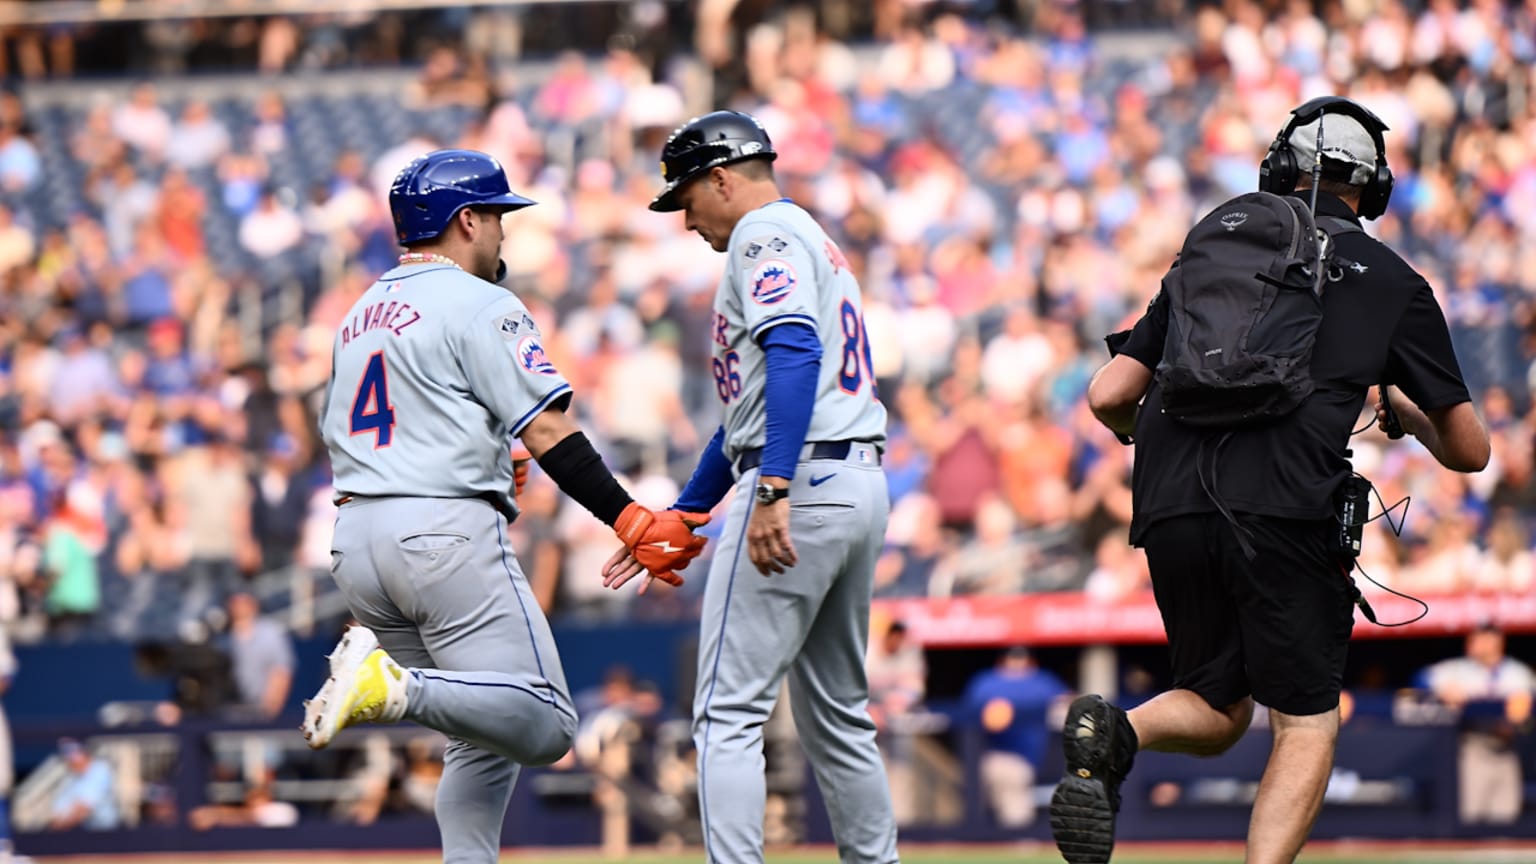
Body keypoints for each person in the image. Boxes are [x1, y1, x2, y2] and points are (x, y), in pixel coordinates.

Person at [1057, 96, 1491, 864]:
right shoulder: (1392, 280)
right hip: (1286, 504)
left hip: (1170, 502)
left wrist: (1145, 445)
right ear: (1374, 186)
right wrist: (1402, 413)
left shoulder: (1210, 253)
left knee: (1220, 708)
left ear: (1278, 167)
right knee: (1306, 721)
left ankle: (1115, 732)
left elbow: (1107, 395)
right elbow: (1470, 451)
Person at [300, 149, 709, 864]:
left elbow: (378, 424)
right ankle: (394, 687)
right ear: (465, 220)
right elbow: (548, 430)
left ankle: (407, 705)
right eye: (494, 215)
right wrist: (629, 517)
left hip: (359, 539)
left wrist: (478, 455)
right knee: (547, 721)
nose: (502, 232)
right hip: (441, 534)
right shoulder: (481, 300)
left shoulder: (359, 312)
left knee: (483, 737)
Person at [605, 111, 899, 863]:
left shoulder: (762, 236)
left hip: (800, 482)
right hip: (852, 478)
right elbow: (749, 412)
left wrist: (770, 488)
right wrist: (688, 510)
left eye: (687, 197)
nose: (685, 217)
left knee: (727, 712)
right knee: (838, 716)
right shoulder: (809, 238)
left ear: (722, 178)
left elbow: (795, 354)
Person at [1420, 622, 1536, 824]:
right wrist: (1443, 690)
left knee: (1506, 817)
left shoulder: (1516, 673)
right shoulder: (1457, 669)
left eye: (1480, 639)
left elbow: (1527, 703)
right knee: (1471, 816)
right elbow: (1420, 679)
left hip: (1506, 749)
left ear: (1496, 641)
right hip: (1473, 746)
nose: (1473, 644)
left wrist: (1527, 702)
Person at [963, 646, 1070, 828]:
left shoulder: (1041, 681)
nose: (1017, 664)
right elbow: (971, 713)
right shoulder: (989, 682)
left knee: (1001, 812)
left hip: (1023, 759)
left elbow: (1068, 704)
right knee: (1010, 817)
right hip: (1001, 756)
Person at [48, 739, 119, 831]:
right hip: (82, 832)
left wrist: (54, 831)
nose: (68, 760)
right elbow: (59, 809)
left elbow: (82, 810)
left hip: (105, 832)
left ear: (83, 754)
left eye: (70, 755)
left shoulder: (100, 770)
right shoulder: (71, 777)